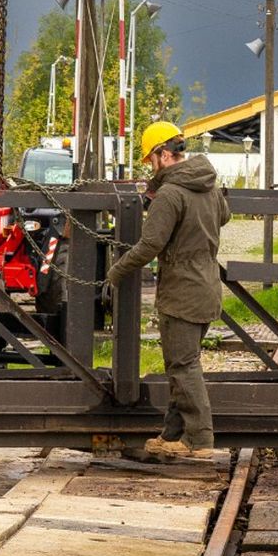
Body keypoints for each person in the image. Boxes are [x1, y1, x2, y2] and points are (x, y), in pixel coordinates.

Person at [106, 121, 230, 460]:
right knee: (180, 363)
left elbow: (150, 245)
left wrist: (115, 272)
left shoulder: (171, 195)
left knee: (184, 366)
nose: (151, 165)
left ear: (163, 154)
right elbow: (225, 216)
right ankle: (172, 435)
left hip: (181, 292)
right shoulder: (209, 187)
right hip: (207, 285)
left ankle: (200, 439)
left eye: (151, 158)